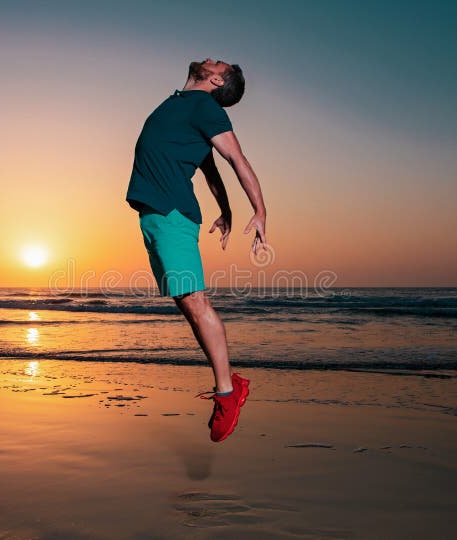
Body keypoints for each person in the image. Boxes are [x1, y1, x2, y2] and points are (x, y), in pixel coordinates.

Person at [125, 58, 267, 442]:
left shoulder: (205, 106)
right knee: (187, 304)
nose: (211, 57)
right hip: (156, 218)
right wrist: (225, 210)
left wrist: (260, 210)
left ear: (216, 79)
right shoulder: (184, 107)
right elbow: (209, 169)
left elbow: (236, 159)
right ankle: (227, 385)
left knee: (196, 302)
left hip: (171, 215)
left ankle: (228, 393)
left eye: (217, 62)